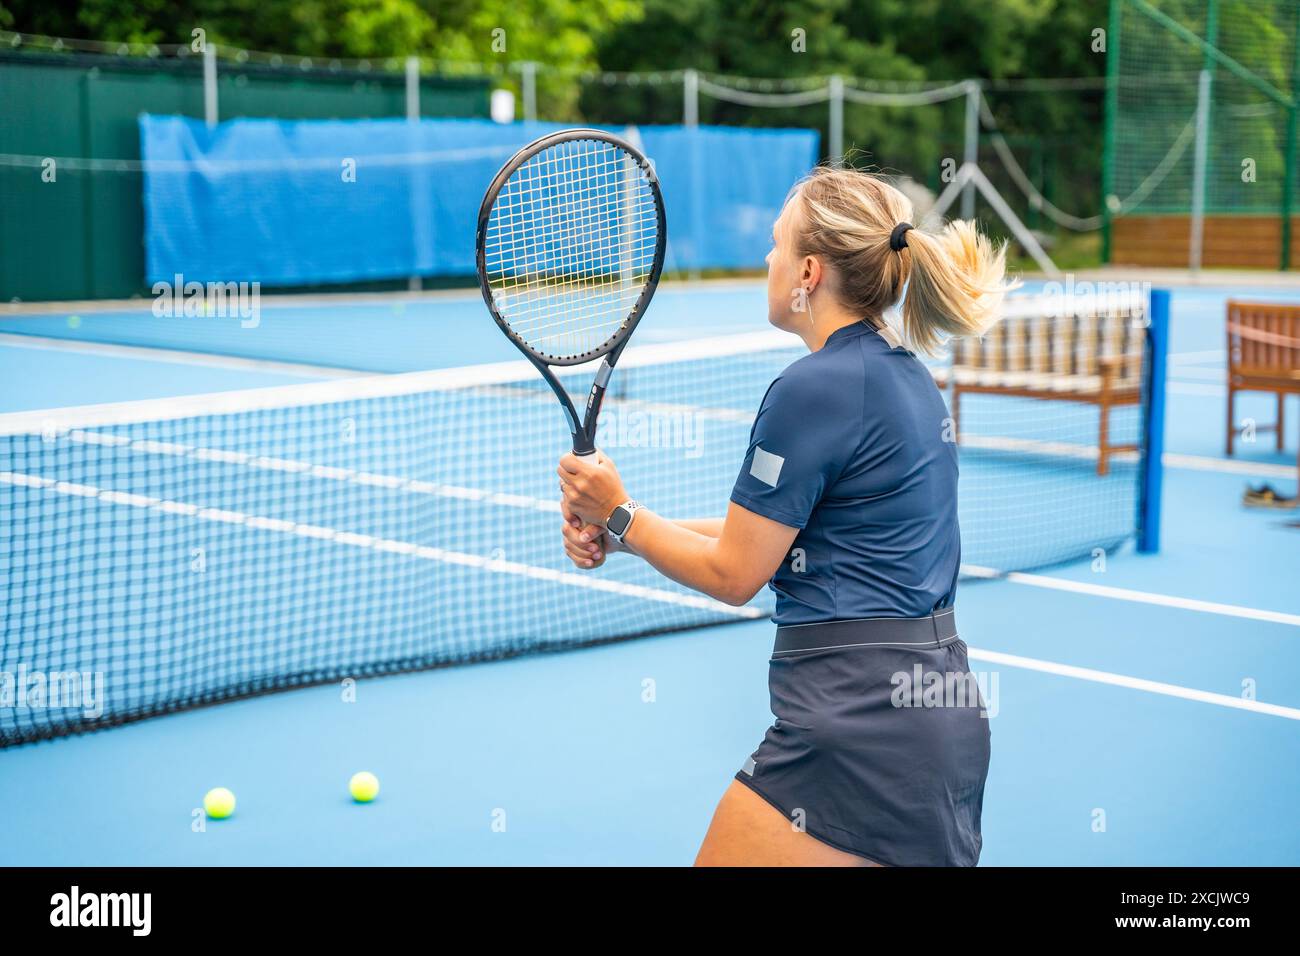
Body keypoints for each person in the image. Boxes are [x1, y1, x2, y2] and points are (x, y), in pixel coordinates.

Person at [557, 166, 1009, 866]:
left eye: (775, 245)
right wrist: (626, 529)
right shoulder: (907, 375)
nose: (765, 260)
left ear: (807, 270)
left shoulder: (813, 388)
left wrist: (618, 515)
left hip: (858, 731)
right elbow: (771, 540)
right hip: (936, 719)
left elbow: (737, 573)